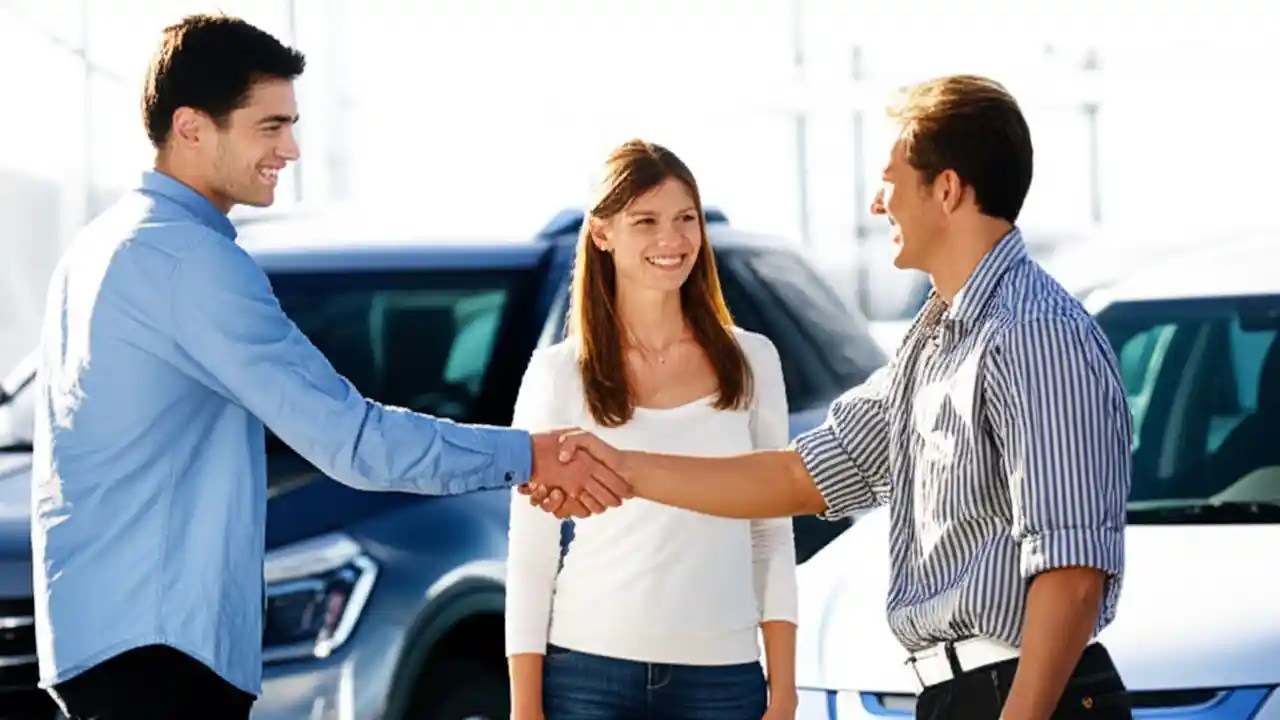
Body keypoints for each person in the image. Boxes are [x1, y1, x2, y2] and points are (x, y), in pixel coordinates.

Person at [30, 14, 627, 720]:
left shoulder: (98, 247)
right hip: (163, 656)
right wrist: (529, 455)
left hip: (98, 640)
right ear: (191, 127)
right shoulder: (189, 261)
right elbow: (353, 440)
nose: (290, 149)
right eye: (270, 126)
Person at [533, 75, 1134, 720]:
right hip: (961, 695)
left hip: (1020, 696)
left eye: (891, 181)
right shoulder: (935, 341)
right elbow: (798, 476)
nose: (877, 204)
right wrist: (620, 467)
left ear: (947, 190)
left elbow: (1072, 573)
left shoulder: (1034, 333)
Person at [505, 139, 799, 720]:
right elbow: (531, 551)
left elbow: (771, 532)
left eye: (685, 219)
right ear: (602, 233)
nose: (673, 239)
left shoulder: (752, 361)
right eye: (646, 221)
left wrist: (785, 691)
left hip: (723, 677)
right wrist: (525, 706)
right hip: (588, 673)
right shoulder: (559, 373)